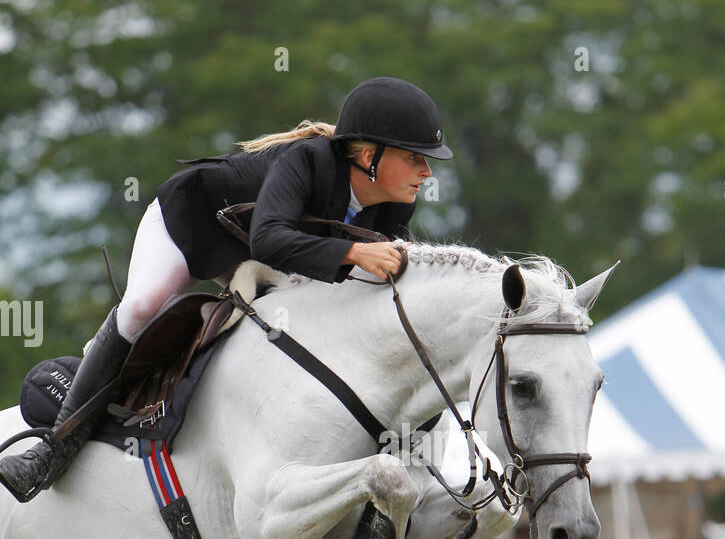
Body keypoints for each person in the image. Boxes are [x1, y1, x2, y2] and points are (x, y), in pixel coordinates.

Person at [0, 76, 453, 502]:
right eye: (415, 157)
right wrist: (353, 255)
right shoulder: (309, 160)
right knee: (142, 307)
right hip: (192, 226)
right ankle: (51, 453)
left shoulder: (393, 206)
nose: (426, 172)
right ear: (370, 155)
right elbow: (269, 238)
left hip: (263, 260)